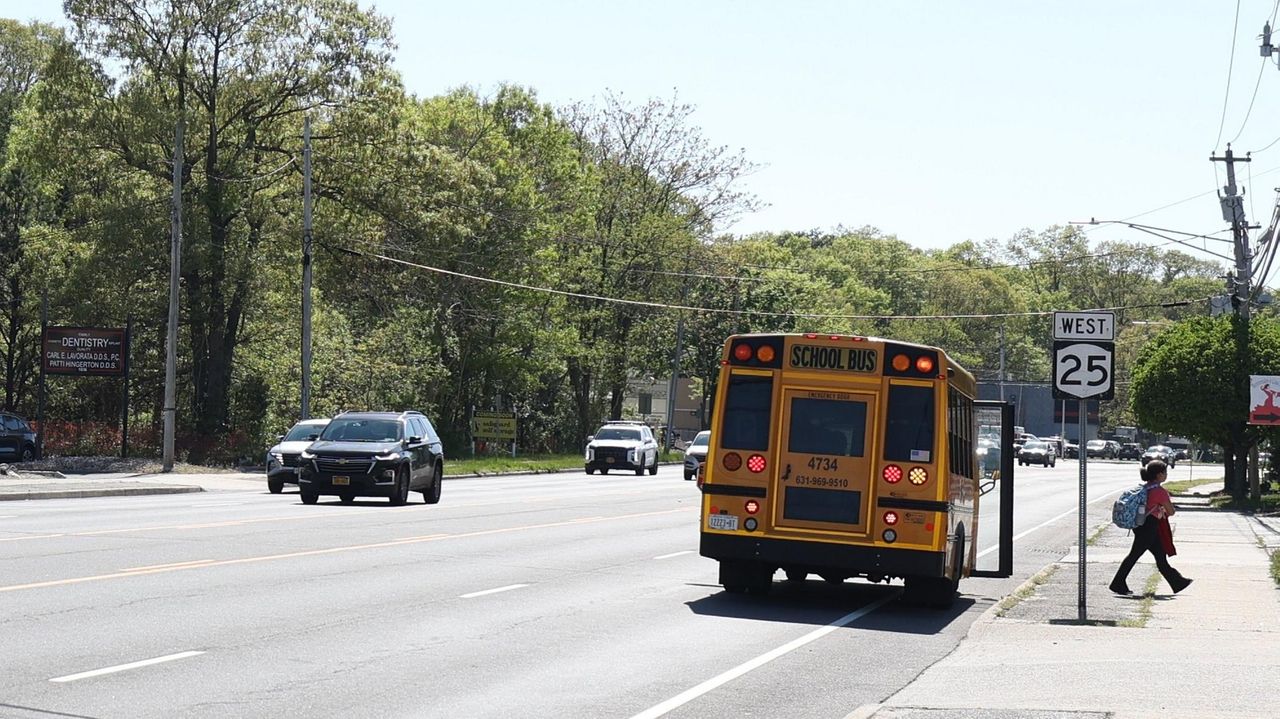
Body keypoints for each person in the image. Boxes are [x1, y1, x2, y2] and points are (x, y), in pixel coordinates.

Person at [1109, 459, 1192, 595]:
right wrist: (1165, 509)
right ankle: (1118, 583)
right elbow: (1171, 511)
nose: (1166, 475)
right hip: (1149, 527)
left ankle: (1178, 582)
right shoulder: (1160, 491)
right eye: (1164, 472)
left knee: (1160, 556)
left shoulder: (1145, 488)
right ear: (1158, 475)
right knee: (1134, 555)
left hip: (1141, 525)